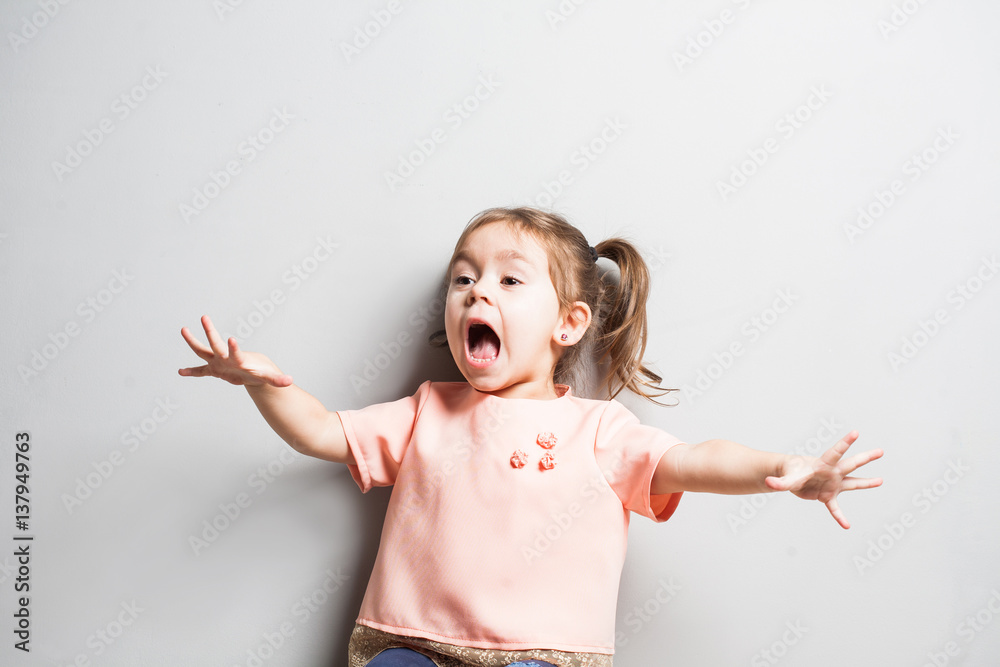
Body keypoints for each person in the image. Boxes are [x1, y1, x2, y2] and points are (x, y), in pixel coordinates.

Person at [179, 206, 883, 667]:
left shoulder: (600, 429)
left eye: (508, 280)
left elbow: (694, 460)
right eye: (463, 279)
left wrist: (785, 466)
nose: (477, 292)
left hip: (545, 656)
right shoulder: (427, 408)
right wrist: (265, 384)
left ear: (568, 323)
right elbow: (325, 433)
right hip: (410, 643)